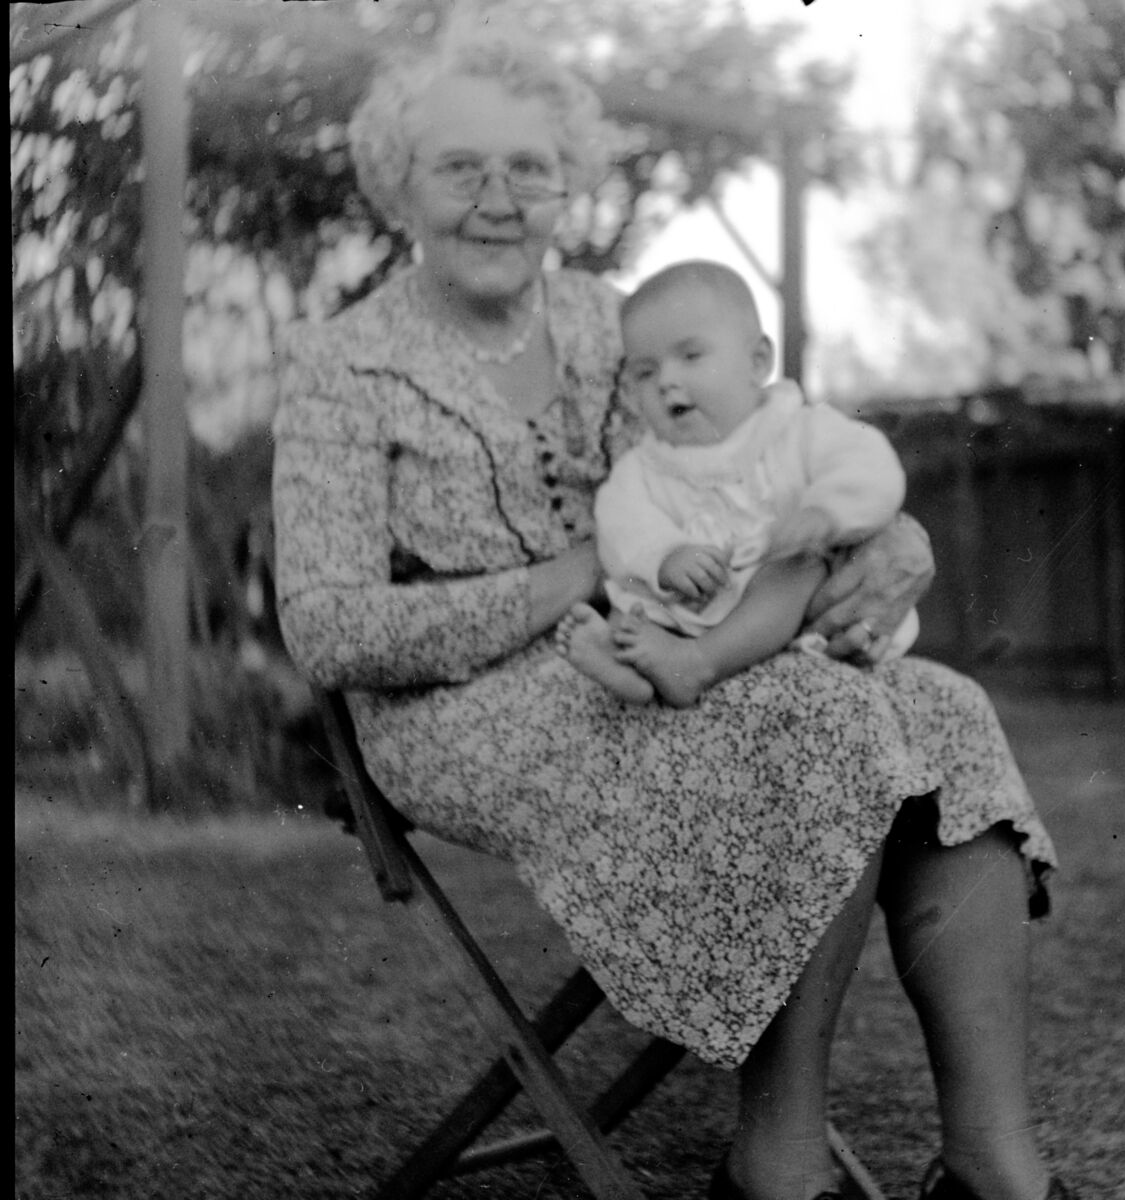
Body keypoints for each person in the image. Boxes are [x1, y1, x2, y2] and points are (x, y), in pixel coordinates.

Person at [272, 17, 1076, 1200]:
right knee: (819, 726)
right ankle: (777, 1166)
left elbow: (790, 450)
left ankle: (992, 1170)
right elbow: (329, 628)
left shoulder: (620, 321)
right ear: (399, 182)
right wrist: (566, 585)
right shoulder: (342, 367)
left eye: (528, 169)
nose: (497, 200)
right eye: (459, 169)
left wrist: (892, 541)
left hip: (696, 645)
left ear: (567, 183)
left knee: (942, 711)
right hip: (464, 707)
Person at [555, 259, 919, 706]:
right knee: (629, 609)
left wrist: (825, 513)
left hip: (782, 610)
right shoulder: (645, 466)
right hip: (684, 613)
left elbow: (869, 464)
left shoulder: (797, 429)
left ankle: (698, 663)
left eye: (690, 356)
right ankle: (633, 676)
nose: (666, 381)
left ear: (757, 361)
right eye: (645, 372)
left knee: (799, 568)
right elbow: (621, 522)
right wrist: (665, 554)